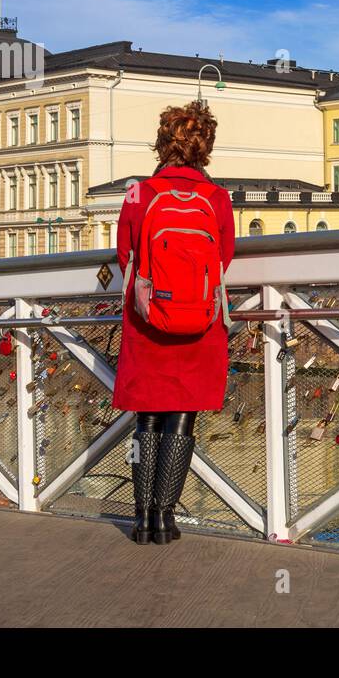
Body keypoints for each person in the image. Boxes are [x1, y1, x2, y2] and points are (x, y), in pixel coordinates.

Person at [112, 100, 235, 544]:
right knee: (183, 416)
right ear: (206, 147)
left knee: (146, 416)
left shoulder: (138, 193)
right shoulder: (217, 198)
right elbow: (224, 257)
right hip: (198, 321)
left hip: (148, 319)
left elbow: (124, 252)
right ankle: (166, 519)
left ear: (163, 143)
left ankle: (141, 519)